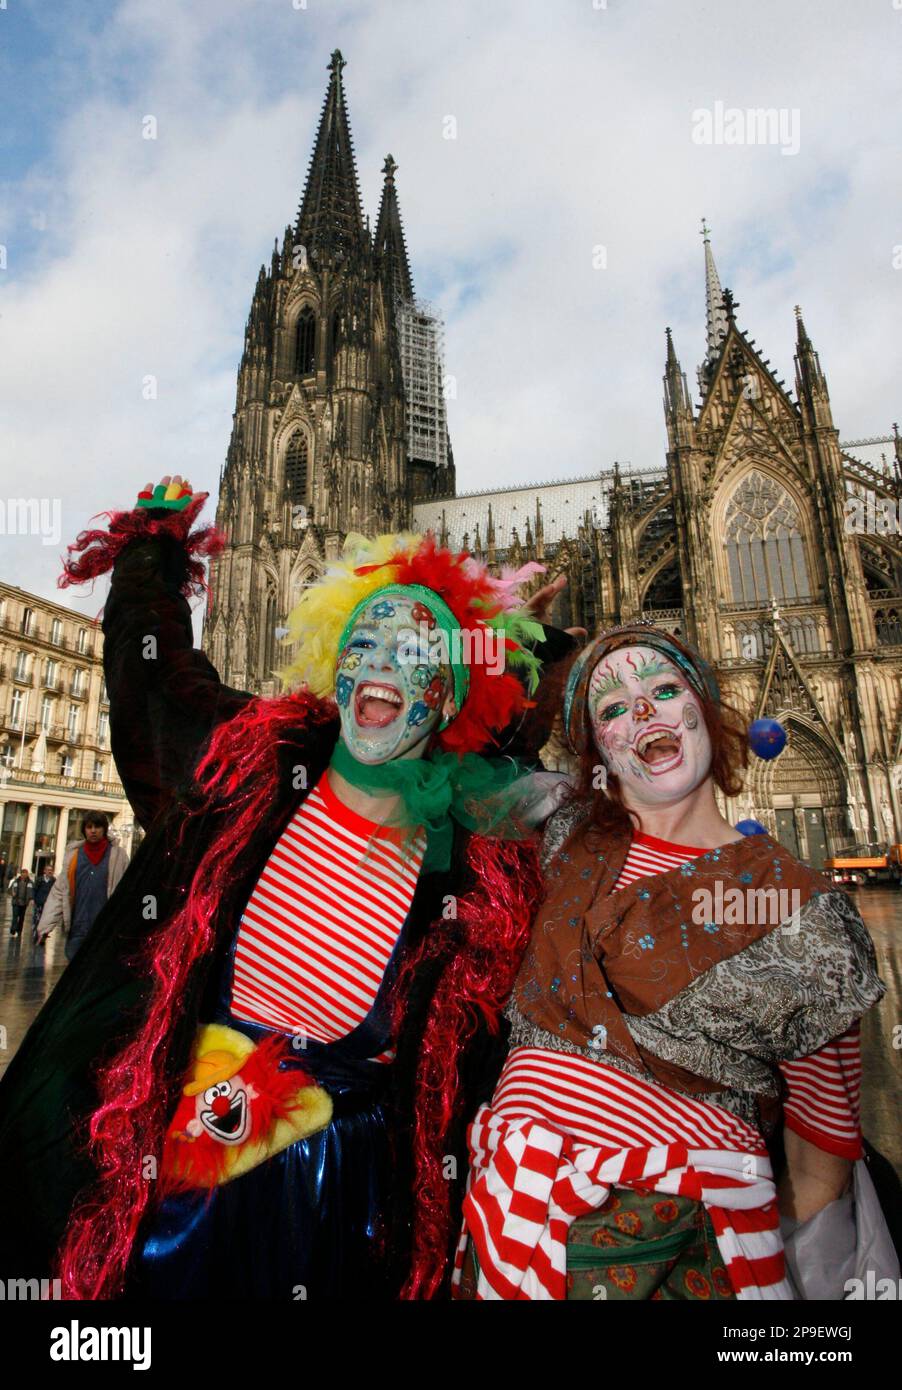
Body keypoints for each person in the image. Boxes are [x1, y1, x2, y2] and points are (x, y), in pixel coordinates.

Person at [0, 474, 572, 1301]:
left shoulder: (481, 859)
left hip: (343, 1211)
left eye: (413, 654)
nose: (379, 667)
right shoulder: (251, 770)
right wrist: (153, 551)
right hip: (172, 1198)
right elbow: (156, 689)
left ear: (448, 692)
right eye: (361, 646)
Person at [445, 623, 896, 1301]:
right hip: (506, 1230)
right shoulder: (564, 839)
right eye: (614, 709)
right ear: (595, 748)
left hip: (679, 1260)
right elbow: (443, 776)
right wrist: (505, 634)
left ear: (707, 710)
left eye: (662, 689)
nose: (644, 712)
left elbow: (818, 1170)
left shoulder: (803, 911)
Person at [37, 815, 128, 959]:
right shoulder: (74, 856)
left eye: (97, 827)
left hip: (104, 931)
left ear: (104, 829)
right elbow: (59, 892)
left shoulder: (118, 855)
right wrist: (45, 926)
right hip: (77, 928)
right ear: (84, 830)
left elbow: (127, 891)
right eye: (89, 827)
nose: (93, 831)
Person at [31, 865, 56, 941]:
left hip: (48, 904)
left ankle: (43, 935)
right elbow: (34, 889)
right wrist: (32, 899)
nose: (49, 871)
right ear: (44, 871)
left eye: (51, 870)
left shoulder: (53, 880)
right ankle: (36, 933)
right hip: (39, 902)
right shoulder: (39, 879)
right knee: (37, 919)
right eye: (48, 870)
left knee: (46, 920)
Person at [7, 869, 33, 938]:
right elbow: (9, 890)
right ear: (21, 874)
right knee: (15, 917)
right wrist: (12, 893)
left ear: (27, 874)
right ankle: (13, 930)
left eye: (25, 873)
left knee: (21, 918)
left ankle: (19, 930)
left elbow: (32, 892)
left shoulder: (30, 882)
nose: (24, 875)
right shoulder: (15, 881)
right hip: (16, 902)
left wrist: (30, 898)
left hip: (24, 903)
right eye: (23, 873)